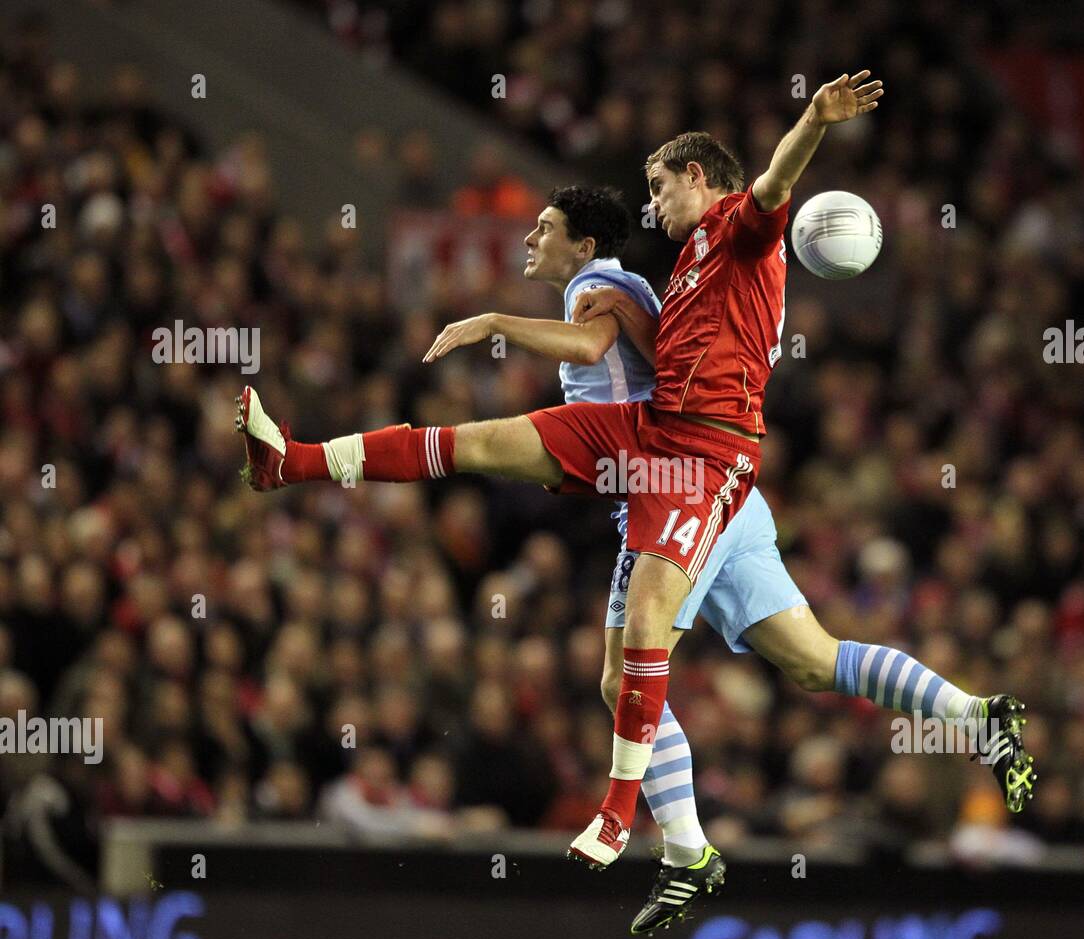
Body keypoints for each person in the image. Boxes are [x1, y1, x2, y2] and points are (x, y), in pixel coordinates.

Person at [237, 69, 1032, 894]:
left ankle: (626, 815)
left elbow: (772, 187)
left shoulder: (732, 228)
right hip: (654, 442)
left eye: (660, 186)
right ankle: (970, 719)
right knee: (802, 659)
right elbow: (652, 354)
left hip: (703, 459)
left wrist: (814, 119)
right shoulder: (689, 266)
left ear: (698, 177)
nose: (651, 205)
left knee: (642, 638)